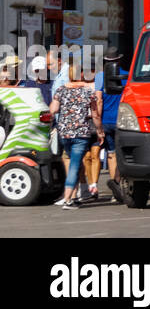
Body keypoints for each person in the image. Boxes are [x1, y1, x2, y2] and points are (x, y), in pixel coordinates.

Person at [49, 58, 102, 209]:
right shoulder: (87, 91)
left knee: (75, 164)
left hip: (64, 132)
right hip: (80, 133)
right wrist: (99, 131)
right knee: (74, 165)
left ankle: (74, 196)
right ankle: (67, 200)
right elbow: (96, 115)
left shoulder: (61, 90)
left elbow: (53, 110)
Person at [95, 49, 126, 203]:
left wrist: (98, 124)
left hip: (106, 120)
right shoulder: (126, 75)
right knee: (122, 155)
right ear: (119, 60)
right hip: (122, 120)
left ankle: (113, 193)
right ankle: (119, 188)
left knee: (111, 154)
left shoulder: (100, 77)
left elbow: (98, 101)